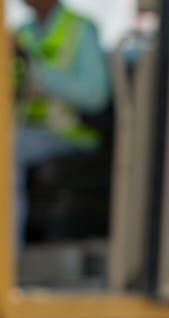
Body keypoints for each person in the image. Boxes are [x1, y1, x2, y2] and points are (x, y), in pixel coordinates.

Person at [13, 0, 110, 249]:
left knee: (8, 151)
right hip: (27, 130)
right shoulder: (21, 33)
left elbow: (95, 95)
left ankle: (9, 256)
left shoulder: (81, 29)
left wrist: (42, 77)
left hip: (72, 133)